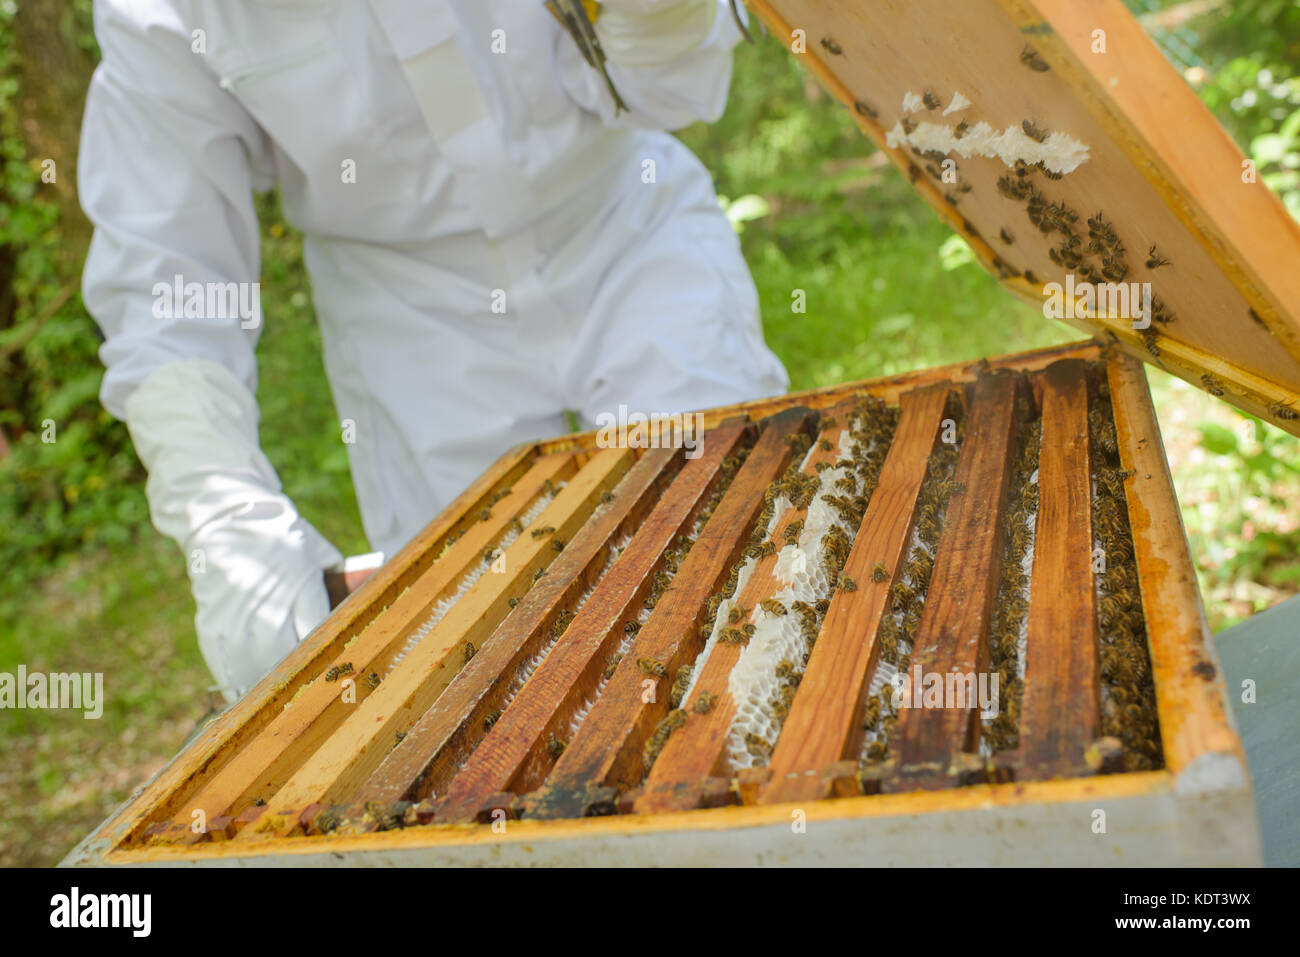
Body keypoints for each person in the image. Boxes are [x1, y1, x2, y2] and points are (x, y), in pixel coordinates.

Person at [78, 0, 789, 703]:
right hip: (407, 318)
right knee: (497, 668)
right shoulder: (159, 14)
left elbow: (666, 89)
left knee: (741, 566)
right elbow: (168, 291)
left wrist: (661, 15)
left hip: (622, 228)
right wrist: (224, 518)